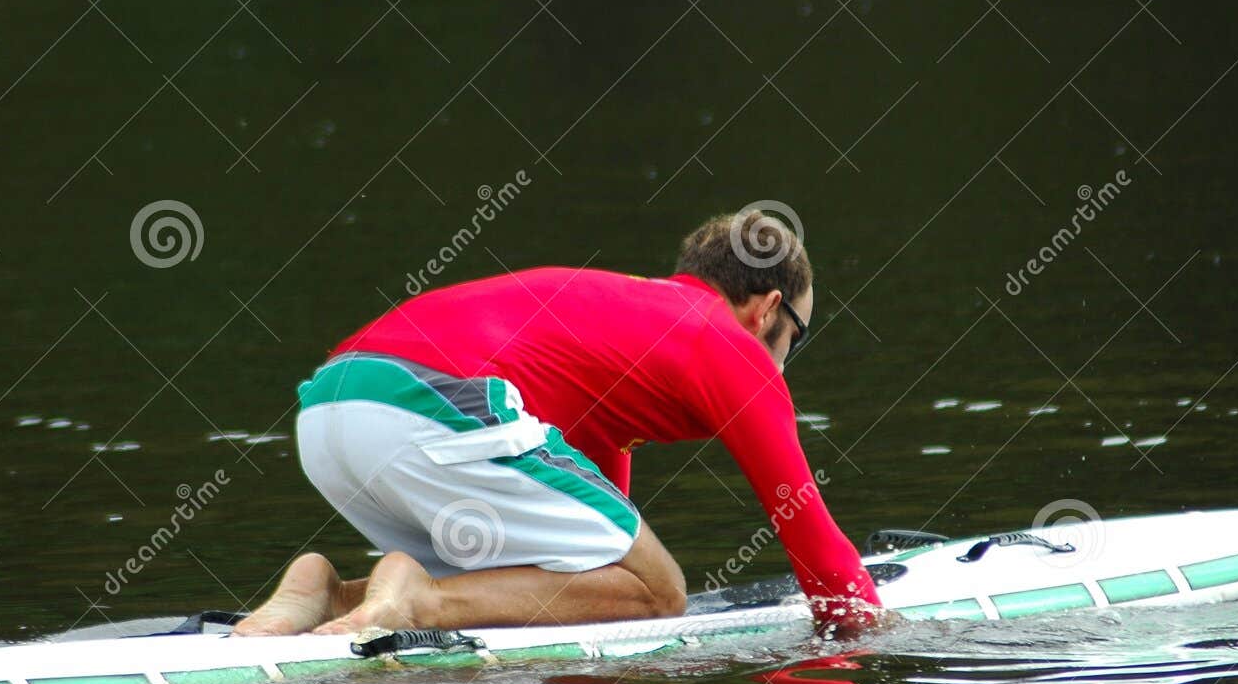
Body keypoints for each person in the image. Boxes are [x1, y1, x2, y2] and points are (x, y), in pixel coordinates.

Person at [234, 211, 882, 639]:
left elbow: (602, 522)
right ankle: (416, 600)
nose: (785, 365)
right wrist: (878, 642)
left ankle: (329, 596)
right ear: (768, 310)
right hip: (428, 407)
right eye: (795, 339)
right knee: (662, 592)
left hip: (327, 409)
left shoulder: (630, 312)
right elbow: (816, 549)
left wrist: (604, 605)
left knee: (564, 583)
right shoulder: (730, 346)